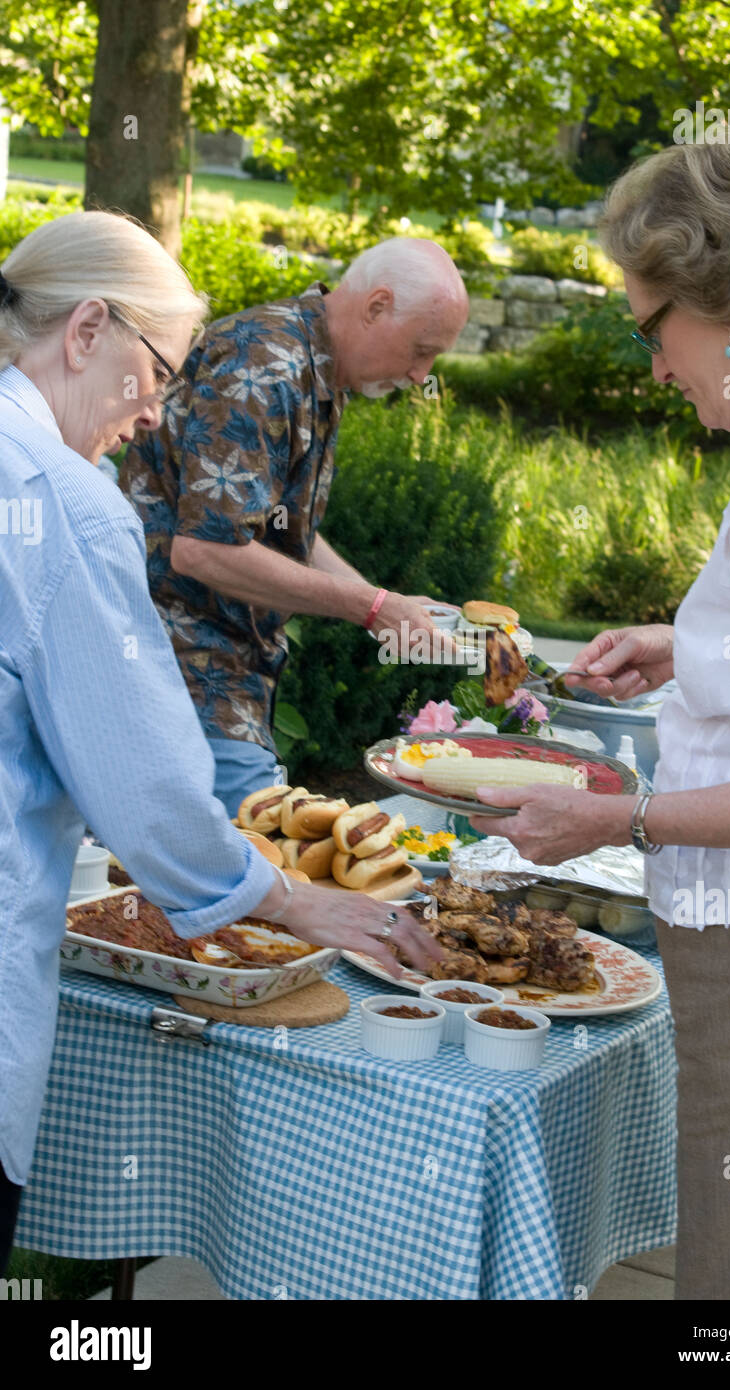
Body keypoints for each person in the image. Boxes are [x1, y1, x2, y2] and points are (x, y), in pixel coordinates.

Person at [0, 211, 442, 1277]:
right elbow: (146, 790)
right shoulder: (64, 500)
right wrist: (292, 900)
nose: (156, 414)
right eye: (155, 373)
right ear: (86, 330)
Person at [470, 138, 730, 1301]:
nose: (653, 367)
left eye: (652, 327)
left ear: (726, 298)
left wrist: (619, 816)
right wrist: (692, 642)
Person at [120, 238, 469, 816]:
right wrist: (372, 607)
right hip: (180, 667)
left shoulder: (310, 361)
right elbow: (206, 550)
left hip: (214, 670)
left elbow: (275, 526)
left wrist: (386, 605)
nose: (419, 374)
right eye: (421, 350)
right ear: (377, 306)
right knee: (251, 865)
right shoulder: (265, 364)